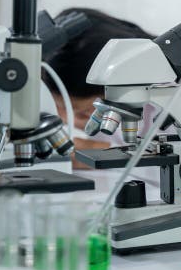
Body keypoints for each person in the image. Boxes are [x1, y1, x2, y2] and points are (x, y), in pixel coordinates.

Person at [43, 8, 156, 163]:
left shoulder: (178, 95)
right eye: (59, 107)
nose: (67, 120)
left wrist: (97, 152)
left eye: (83, 113)